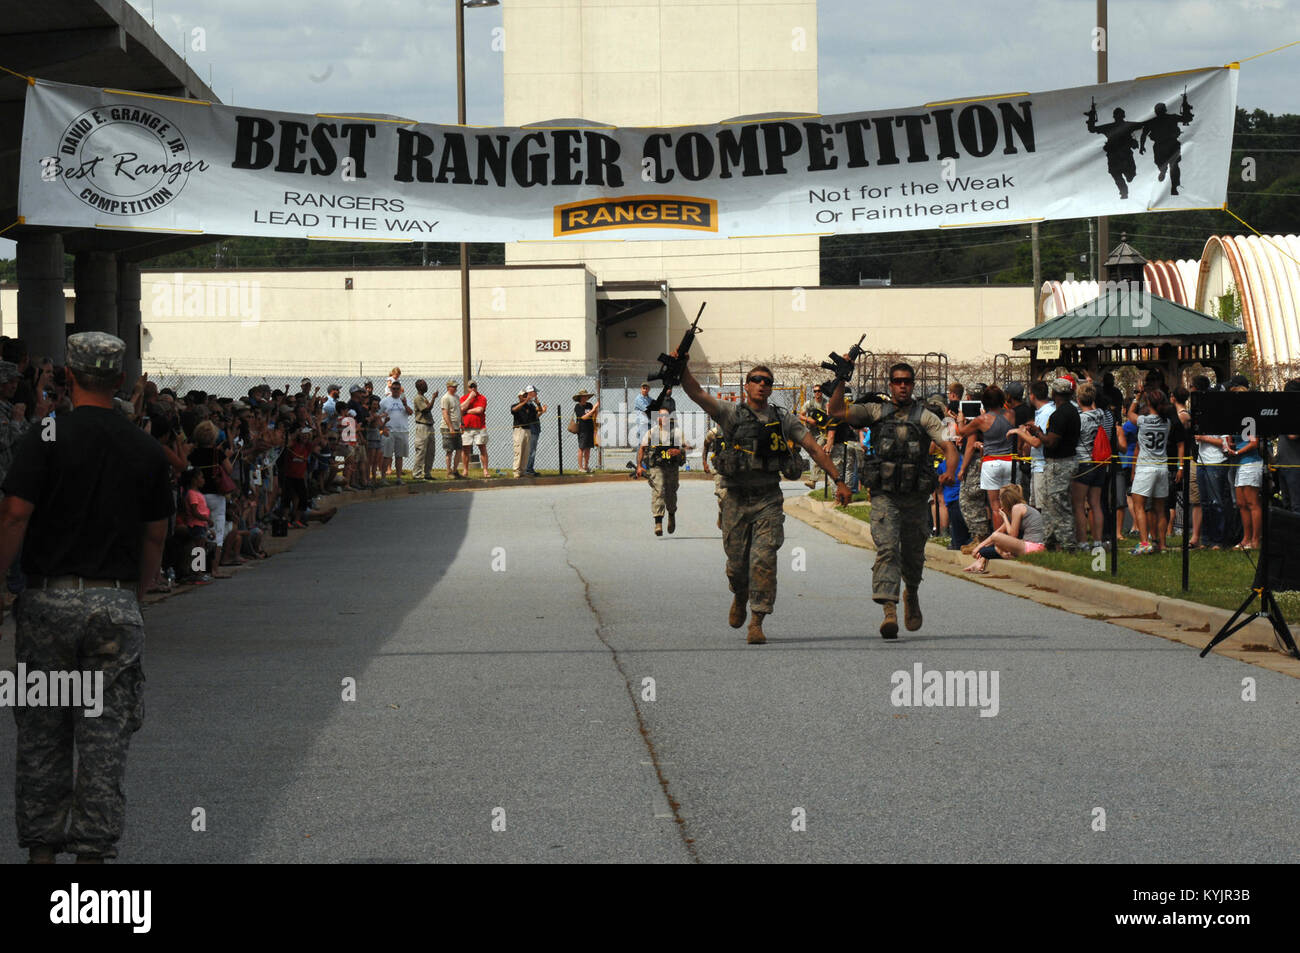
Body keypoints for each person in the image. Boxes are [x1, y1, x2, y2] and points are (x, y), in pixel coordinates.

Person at [0, 332, 172, 863]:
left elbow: (15, 515)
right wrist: (134, 596)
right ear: (120, 380)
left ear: (65, 377)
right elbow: (155, 536)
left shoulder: (42, 435)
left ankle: (42, 856)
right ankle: (93, 863)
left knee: (43, 734)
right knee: (104, 738)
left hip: (48, 604)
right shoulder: (144, 447)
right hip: (114, 604)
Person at [680, 358, 851, 644]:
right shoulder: (730, 413)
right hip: (735, 497)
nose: (762, 385)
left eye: (767, 381)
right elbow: (696, 392)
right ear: (746, 386)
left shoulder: (783, 420)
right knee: (736, 565)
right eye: (756, 380)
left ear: (771, 388)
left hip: (767, 498)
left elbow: (814, 448)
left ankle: (757, 620)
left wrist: (839, 480)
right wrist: (683, 364)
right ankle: (739, 593)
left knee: (764, 560)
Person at [830, 361, 958, 638]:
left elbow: (949, 446)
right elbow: (837, 411)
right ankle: (889, 608)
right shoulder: (876, 411)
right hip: (885, 496)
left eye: (907, 381)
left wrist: (949, 470)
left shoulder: (925, 417)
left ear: (913, 385)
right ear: (890, 385)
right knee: (887, 549)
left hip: (915, 497)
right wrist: (840, 381)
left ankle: (910, 592)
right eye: (897, 381)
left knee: (913, 555)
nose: (902, 386)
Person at [1020, 377, 1080, 551]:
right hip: (1064, 462)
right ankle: (1050, 542)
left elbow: (1051, 442)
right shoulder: (1073, 411)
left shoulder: (1060, 415)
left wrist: (1038, 432)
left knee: (1059, 504)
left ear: (1054, 393)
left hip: (1059, 464)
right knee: (1049, 504)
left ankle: (1068, 545)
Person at [955, 384, 1015, 534]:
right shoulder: (1011, 414)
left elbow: (962, 432)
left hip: (991, 462)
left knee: (995, 505)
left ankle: (1000, 541)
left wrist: (960, 420)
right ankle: (1011, 534)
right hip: (1009, 460)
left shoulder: (982, 419)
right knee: (1007, 502)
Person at [1126, 387, 1178, 554]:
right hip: (1161, 467)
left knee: (1139, 505)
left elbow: (1130, 414)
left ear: (1149, 403)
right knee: (1160, 508)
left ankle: (1144, 542)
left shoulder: (1143, 421)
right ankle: (1162, 545)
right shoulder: (1167, 423)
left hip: (1145, 467)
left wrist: (1137, 397)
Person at [963, 484, 1046, 573]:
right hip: (1029, 546)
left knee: (994, 539)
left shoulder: (1017, 508)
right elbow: (999, 532)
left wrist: (1004, 517)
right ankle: (982, 560)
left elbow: (1012, 535)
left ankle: (1000, 555)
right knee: (987, 547)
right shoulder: (1017, 509)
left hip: (1033, 547)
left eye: (1000, 499)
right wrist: (978, 547)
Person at [637, 409, 691, 536]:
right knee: (659, 490)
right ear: (658, 418)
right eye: (661, 415)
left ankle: (671, 514)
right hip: (657, 466)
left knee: (671, 493)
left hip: (672, 467)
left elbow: (688, 447)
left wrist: (680, 451)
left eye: (666, 415)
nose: (664, 418)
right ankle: (658, 522)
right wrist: (639, 466)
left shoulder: (676, 433)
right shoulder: (652, 433)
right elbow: (642, 448)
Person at [1225, 377, 1263, 550]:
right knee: (1241, 503)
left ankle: (1255, 539)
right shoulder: (1234, 417)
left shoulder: (1250, 417)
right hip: (1239, 463)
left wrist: (1238, 451)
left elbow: (1253, 442)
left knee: (1252, 502)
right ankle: (1245, 538)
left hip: (1250, 462)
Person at [1070, 383, 1108, 549]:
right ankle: (1098, 540)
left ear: (1078, 400)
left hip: (1083, 462)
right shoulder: (1101, 414)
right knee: (1095, 503)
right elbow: (1094, 406)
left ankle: (1083, 541)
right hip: (1098, 463)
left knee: (1078, 504)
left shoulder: (1079, 419)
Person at [379, 380, 412, 483]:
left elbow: (410, 412)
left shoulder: (406, 400)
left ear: (400, 389)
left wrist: (405, 404)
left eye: (398, 389)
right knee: (386, 456)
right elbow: (378, 415)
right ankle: (383, 478)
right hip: (389, 431)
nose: (396, 391)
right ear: (390, 389)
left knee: (399, 456)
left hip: (402, 431)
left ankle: (398, 478)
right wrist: (382, 427)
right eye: (394, 389)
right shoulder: (385, 401)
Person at [410, 379, 439, 480]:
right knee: (421, 450)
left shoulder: (423, 397)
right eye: (424, 384)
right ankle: (417, 474)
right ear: (419, 387)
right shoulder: (418, 398)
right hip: (422, 426)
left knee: (430, 451)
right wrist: (433, 398)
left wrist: (432, 399)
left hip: (430, 426)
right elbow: (426, 409)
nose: (426, 386)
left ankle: (427, 473)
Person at [460, 380, 489, 478]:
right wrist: (469, 398)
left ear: (477, 387)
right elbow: (460, 409)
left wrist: (467, 411)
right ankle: (465, 470)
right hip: (466, 428)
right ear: (468, 388)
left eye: (474, 386)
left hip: (479, 427)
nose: (473, 388)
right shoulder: (464, 398)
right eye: (471, 387)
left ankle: (485, 470)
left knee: (482, 448)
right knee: (465, 449)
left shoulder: (482, 398)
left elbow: (479, 410)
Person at [441, 379, 465, 478]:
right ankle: (448, 471)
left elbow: (459, 411)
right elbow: (445, 413)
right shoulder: (445, 398)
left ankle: (455, 471)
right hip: (447, 427)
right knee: (449, 450)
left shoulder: (456, 397)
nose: (455, 388)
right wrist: (450, 427)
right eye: (453, 386)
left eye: (456, 386)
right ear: (448, 387)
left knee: (459, 449)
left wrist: (462, 424)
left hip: (457, 427)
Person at [510, 390, 535, 479]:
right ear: (519, 397)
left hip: (528, 430)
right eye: (523, 395)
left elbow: (536, 415)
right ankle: (516, 471)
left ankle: (523, 471)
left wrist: (539, 405)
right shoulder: (515, 405)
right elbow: (514, 410)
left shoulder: (529, 407)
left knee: (526, 452)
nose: (525, 396)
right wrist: (525, 401)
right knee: (518, 451)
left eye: (526, 395)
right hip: (519, 430)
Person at [573, 389, 599, 473]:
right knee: (582, 448)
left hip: (590, 429)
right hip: (582, 430)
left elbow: (593, 415)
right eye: (583, 396)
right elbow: (583, 417)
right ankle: (580, 467)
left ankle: (586, 466)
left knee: (588, 448)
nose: (585, 398)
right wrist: (593, 409)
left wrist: (595, 411)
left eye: (586, 396)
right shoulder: (578, 406)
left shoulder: (589, 405)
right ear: (580, 398)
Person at [524, 385, 546, 476]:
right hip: (531, 430)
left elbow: (535, 416)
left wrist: (540, 409)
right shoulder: (526, 404)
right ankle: (528, 469)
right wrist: (542, 411)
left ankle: (529, 468)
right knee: (531, 450)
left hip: (535, 429)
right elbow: (530, 418)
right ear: (530, 393)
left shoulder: (531, 403)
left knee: (532, 450)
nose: (536, 394)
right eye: (535, 392)